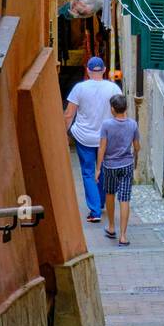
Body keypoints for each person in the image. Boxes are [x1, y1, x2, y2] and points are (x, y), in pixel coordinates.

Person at [64, 57, 121, 223]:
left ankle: (95, 210)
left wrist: (63, 134)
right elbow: (119, 114)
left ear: (88, 70)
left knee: (88, 172)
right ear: (104, 70)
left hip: (84, 137)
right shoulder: (113, 88)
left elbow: (69, 114)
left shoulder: (79, 88)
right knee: (103, 169)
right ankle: (100, 201)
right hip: (106, 137)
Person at [95, 93, 140, 246]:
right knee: (125, 199)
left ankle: (112, 227)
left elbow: (102, 148)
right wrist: (135, 157)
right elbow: (137, 146)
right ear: (125, 108)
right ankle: (123, 236)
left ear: (113, 109)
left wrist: (98, 169)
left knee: (109, 193)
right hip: (126, 165)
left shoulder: (107, 125)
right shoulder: (133, 124)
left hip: (109, 165)